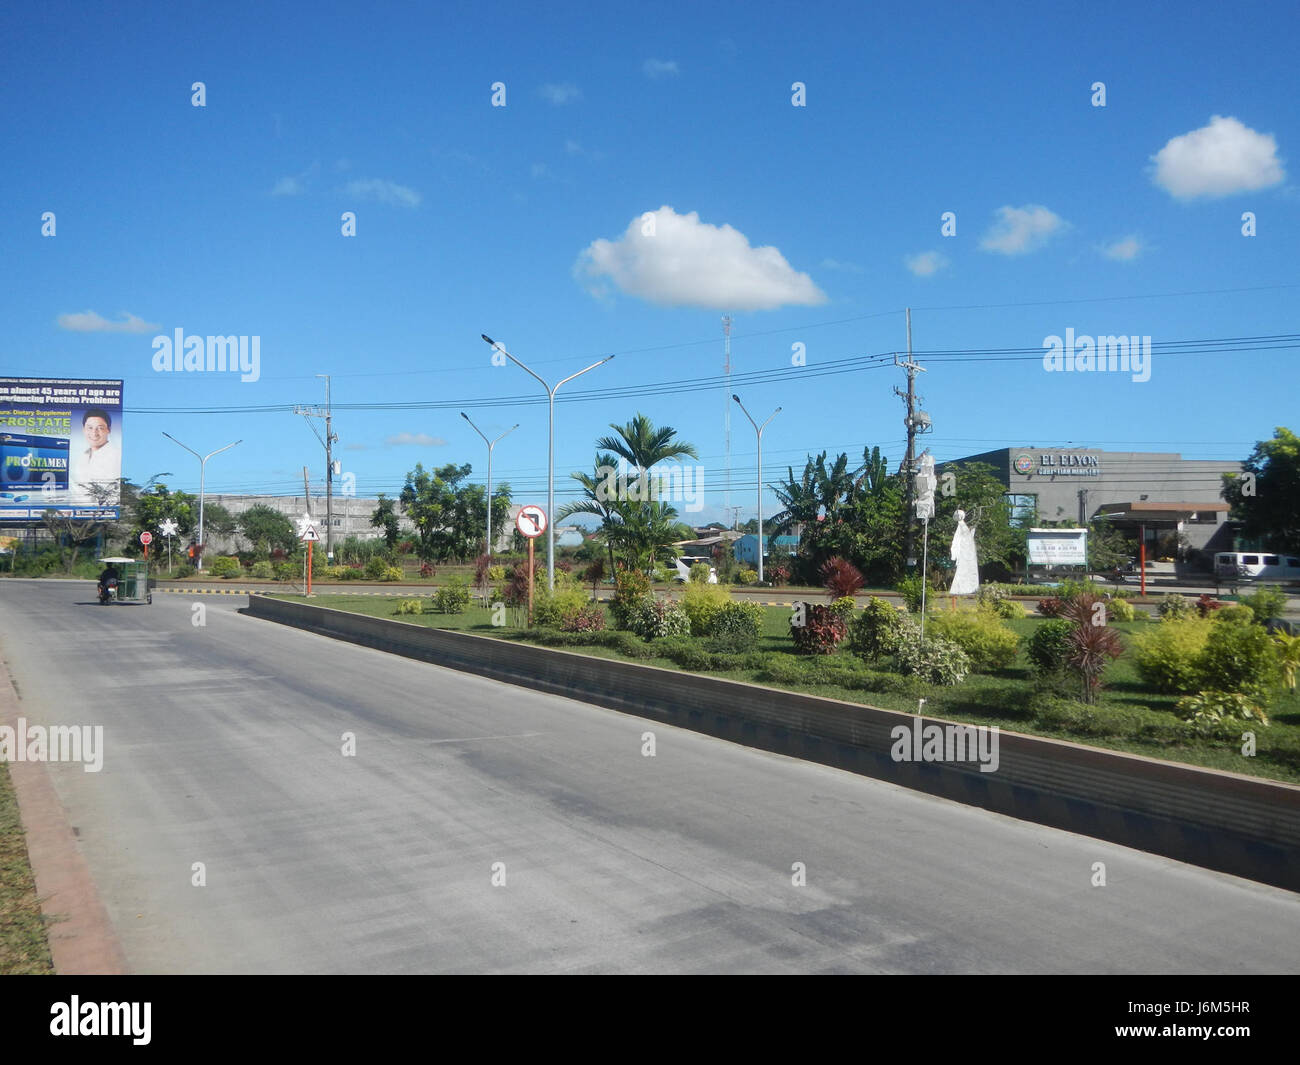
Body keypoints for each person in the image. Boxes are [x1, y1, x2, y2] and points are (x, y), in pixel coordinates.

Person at [69, 408, 121, 502]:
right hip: (78, 512)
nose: (94, 433)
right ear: (84, 429)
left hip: (105, 512)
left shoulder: (116, 457)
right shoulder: (82, 457)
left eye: (100, 428)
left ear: (109, 430)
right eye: (90, 428)